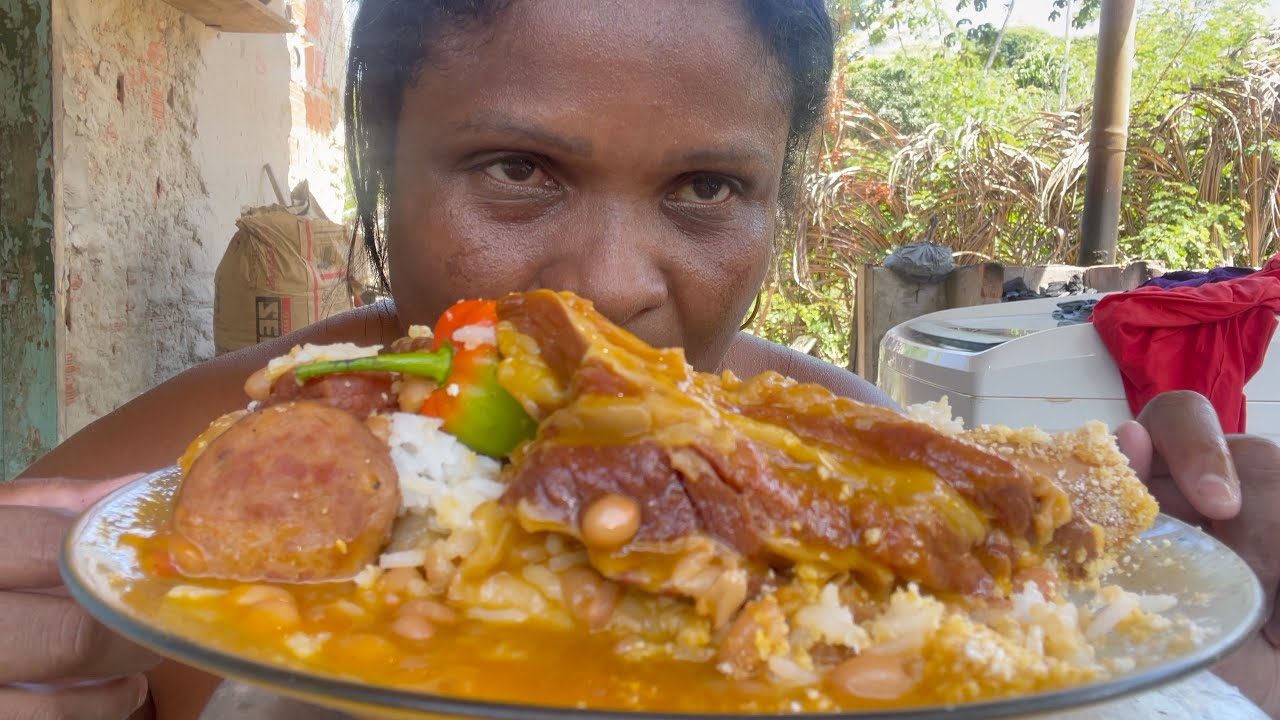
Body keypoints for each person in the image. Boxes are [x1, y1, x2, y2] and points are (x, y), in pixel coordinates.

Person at [2, 1, 1276, 718]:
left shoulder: (886, 499)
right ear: (378, 159)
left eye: (706, 187)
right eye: (517, 169)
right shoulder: (163, 509)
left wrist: (1210, 652)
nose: (610, 282)